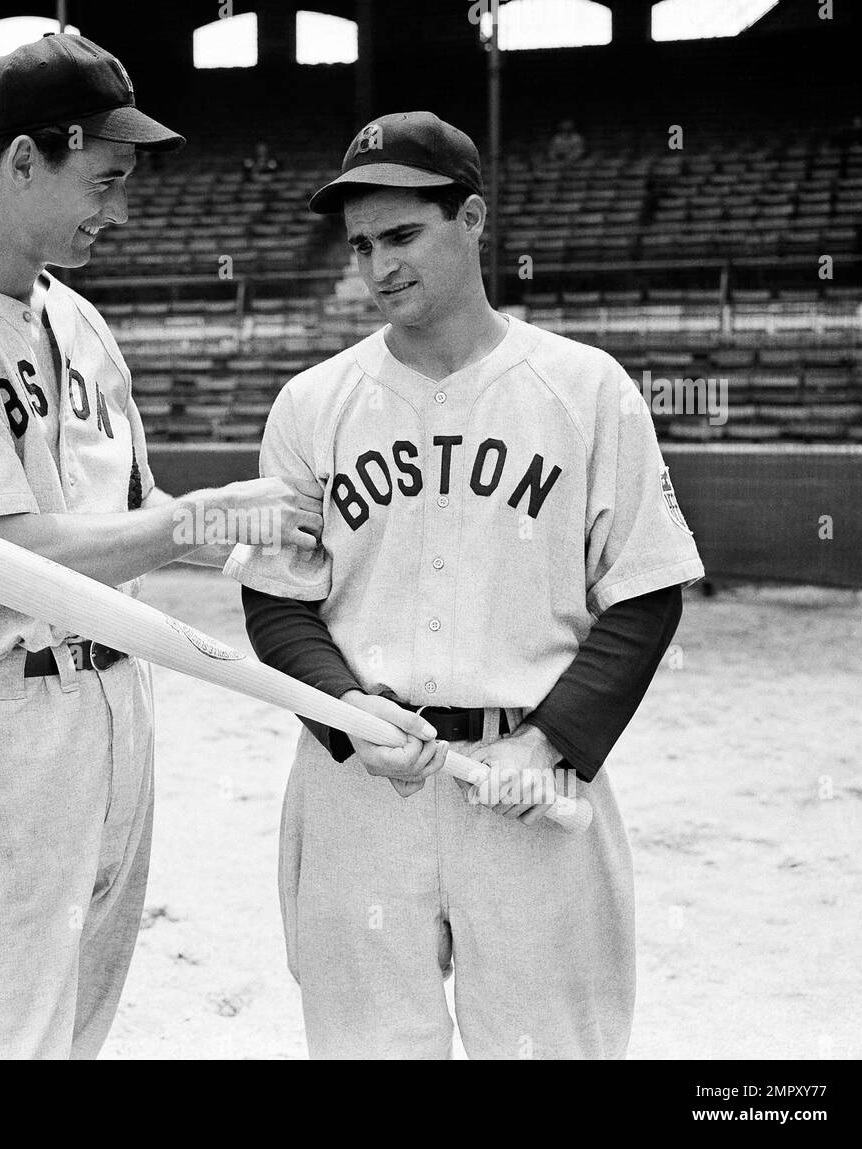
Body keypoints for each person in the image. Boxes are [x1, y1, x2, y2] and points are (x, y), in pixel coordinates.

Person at [0, 33, 321, 1060]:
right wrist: (212, 516)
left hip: (114, 700)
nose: (118, 208)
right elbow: (1, 550)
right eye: (102, 178)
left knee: (78, 1029)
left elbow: (129, 517)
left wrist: (256, 549)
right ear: (19, 160)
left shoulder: (81, 321)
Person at [226, 112, 705, 1060]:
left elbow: (647, 594)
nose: (378, 267)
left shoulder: (585, 388)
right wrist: (345, 707)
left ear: (473, 219)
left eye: (403, 235)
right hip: (361, 779)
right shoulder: (314, 403)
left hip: (530, 778)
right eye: (361, 244)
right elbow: (278, 598)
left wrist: (552, 740)